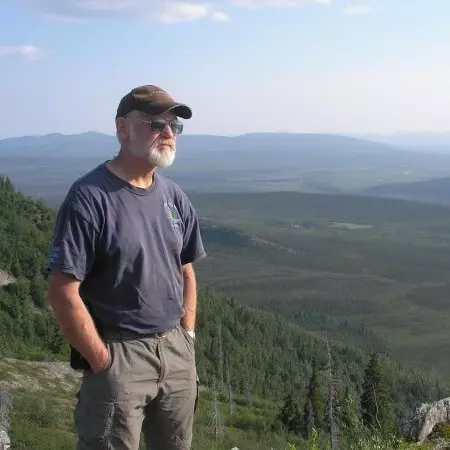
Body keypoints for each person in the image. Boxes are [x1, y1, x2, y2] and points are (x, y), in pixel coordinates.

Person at [46, 85, 206, 450]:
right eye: (155, 124)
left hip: (176, 352)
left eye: (173, 127)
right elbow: (62, 292)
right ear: (123, 128)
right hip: (119, 356)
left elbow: (186, 270)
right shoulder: (90, 198)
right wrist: (104, 362)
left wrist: (187, 336)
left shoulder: (173, 196)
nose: (167, 134)